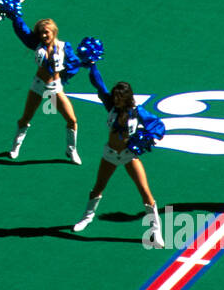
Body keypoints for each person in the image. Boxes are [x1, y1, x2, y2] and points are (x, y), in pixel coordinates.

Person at [71, 54, 167, 248]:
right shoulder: (111, 106)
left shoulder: (138, 111)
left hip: (129, 155)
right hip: (110, 154)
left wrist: (148, 138)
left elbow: (157, 125)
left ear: (127, 97)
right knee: (98, 187)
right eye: (115, 96)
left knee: (144, 191)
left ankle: (155, 231)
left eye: (119, 97)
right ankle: (87, 217)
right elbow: (99, 86)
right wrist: (92, 67)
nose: (115, 99)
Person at [0, 0, 82, 163]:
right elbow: (22, 30)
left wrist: (63, 76)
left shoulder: (64, 47)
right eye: (41, 33)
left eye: (47, 32)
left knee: (72, 119)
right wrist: (15, 16)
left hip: (55, 88)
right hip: (38, 85)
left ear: (54, 32)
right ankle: (15, 147)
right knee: (26, 117)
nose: (44, 35)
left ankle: (71, 150)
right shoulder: (37, 44)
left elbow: (74, 63)